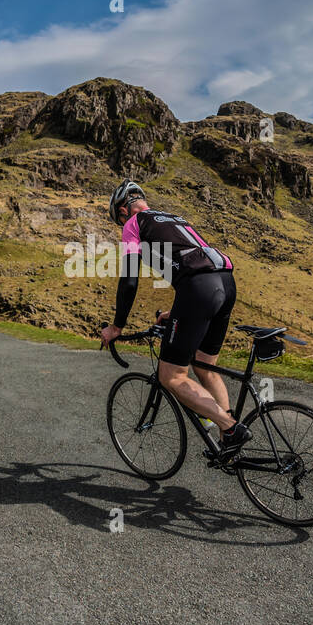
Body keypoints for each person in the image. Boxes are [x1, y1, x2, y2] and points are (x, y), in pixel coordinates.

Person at [98, 180, 252, 454]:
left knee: (171, 376)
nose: (120, 224)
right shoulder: (175, 218)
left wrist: (116, 326)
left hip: (200, 289)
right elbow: (193, 262)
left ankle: (230, 428)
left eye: (118, 218)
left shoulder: (133, 224)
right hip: (226, 283)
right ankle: (229, 443)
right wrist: (179, 310)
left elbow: (129, 281)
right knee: (204, 366)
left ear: (123, 210)